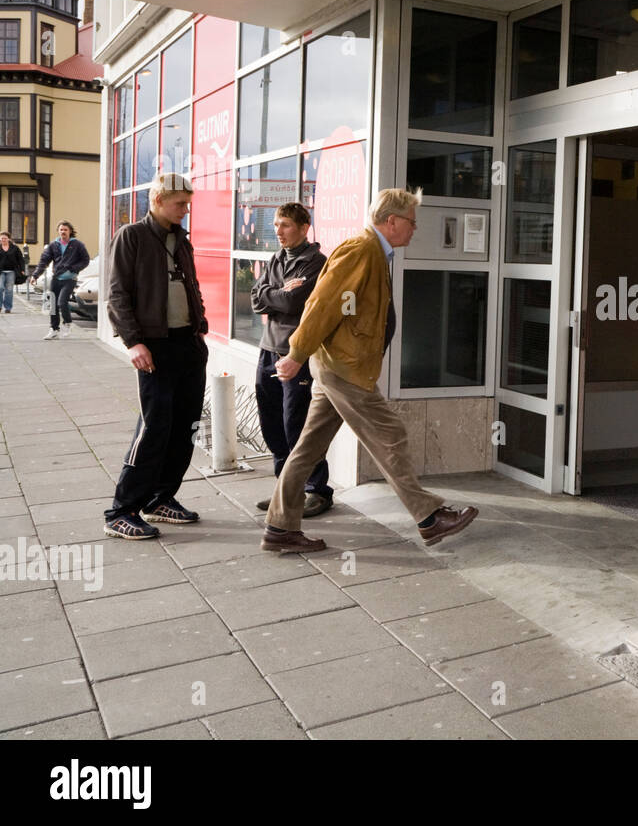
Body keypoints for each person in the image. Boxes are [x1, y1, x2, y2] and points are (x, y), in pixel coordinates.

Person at [261, 187, 477, 553]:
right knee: (390, 434)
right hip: (344, 368)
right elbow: (322, 304)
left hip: (339, 366)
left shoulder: (375, 251)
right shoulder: (361, 249)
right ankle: (429, 517)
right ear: (391, 221)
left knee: (307, 449)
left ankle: (280, 529)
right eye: (411, 221)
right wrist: (297, 352)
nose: (415, 228)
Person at [103, 173, 208, 539]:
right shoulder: (131, 236)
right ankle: (121, 510)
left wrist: (201, 322)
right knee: (154, 427)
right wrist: (133, 342)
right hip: (154, 347)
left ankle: (162, 497)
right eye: (180, 204)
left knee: (186, 427)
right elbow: (116, 295)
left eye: (187, 204)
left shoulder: (182, 240)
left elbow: (191, 285)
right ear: (158, 200)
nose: (185, 210)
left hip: (188, 345)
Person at [250, 203, 332, 518]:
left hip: (295, 353)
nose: (278, 231)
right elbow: (257, 296)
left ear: (303, 227)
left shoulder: (316, 263)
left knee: (296, 424)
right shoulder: (277, 258)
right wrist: (276, 293)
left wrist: (276, 294)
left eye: (284, 225)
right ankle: (287, 490)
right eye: (275, 224)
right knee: (271, 423)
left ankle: (317, 490)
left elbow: (293, 299)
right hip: (268, 349)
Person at [31, 220, 90, 338]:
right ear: (58, 231)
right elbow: (44, 261)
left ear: (70, 231)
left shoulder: (77, 244)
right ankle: (54, 329)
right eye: (61, 229)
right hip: (56, 278)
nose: (63, 232)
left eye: (65, 230)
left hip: (70, 279)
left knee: (62, 302)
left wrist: (73, 269)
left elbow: (85, 260)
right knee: (53, 304)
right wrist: (35, 275)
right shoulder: (54, 245)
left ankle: (67, 323)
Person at [0, 230, 25, 313]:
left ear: (9, 239)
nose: (3, 240)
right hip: (1, 271)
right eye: (2, 238)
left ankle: (8, 308)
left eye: (5, 238)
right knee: (0, 288)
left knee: (9, 290)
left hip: (11, 271)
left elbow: (20, 259)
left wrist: (22, 269)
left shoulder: (15, 248)